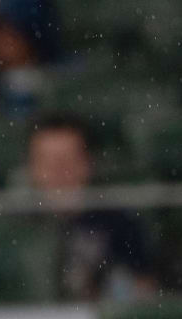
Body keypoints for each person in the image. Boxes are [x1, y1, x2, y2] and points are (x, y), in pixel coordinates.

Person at [24, 114, 156, 302]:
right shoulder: (15, 221)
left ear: (87, 163)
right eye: (47, 162)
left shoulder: (120, 222)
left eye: (67, 160)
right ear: (32, 168)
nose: (57, 172)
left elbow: (143, 288)